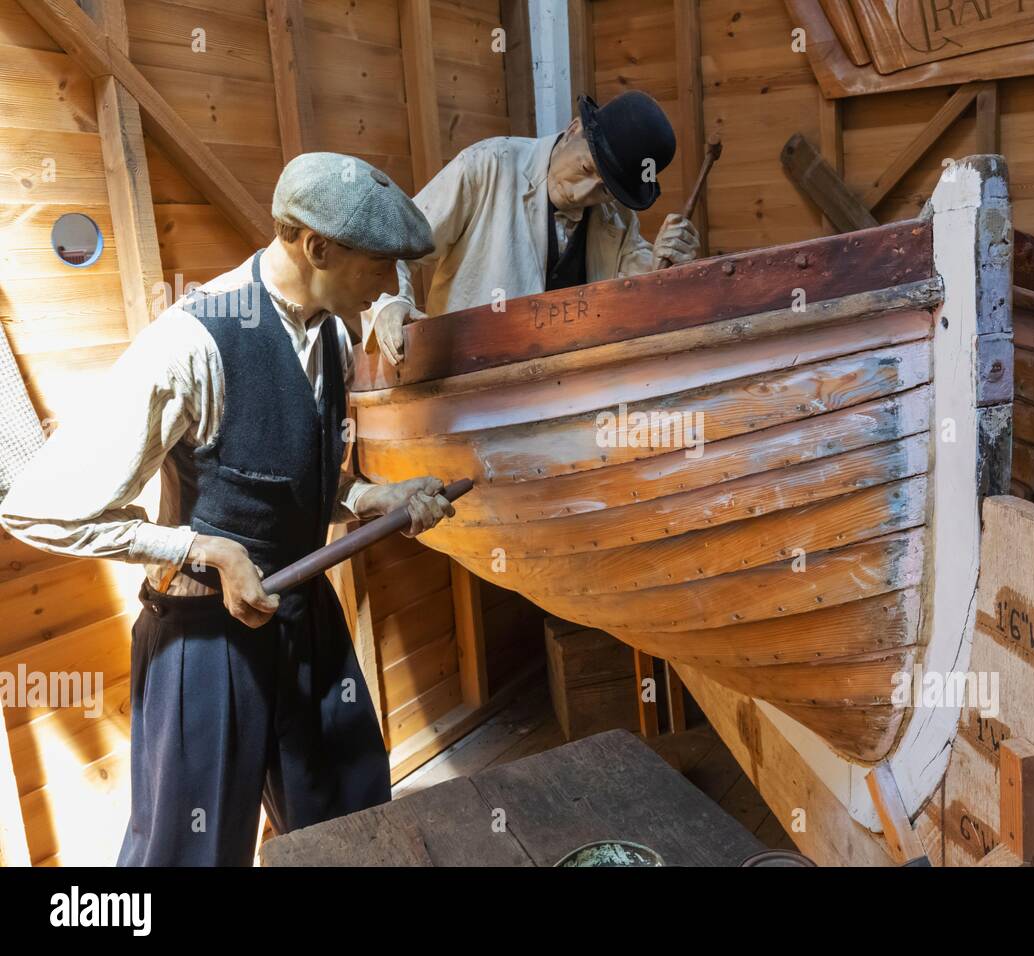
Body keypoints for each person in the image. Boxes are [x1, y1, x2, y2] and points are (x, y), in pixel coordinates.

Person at [0, 152, 450, 866]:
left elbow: (299, 484)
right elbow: (36, 511)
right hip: (205, 643)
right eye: (379, 265)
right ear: (317, 246)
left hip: (303, 619)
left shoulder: (332, 335)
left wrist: (373, 497)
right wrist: (201, 549)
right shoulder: (192, 344)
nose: (390, 285)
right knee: (189, 853)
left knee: (352, 815)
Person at [364, 90, 702, 364]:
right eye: (586, 167)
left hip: (570, 396)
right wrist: (388, 302)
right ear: (573, 130)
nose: (585, 192)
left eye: (605, 188)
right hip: (469, 382)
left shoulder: (616, 218)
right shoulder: (488, 166)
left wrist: (668, 266)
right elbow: (394, 242)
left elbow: (637, 296)